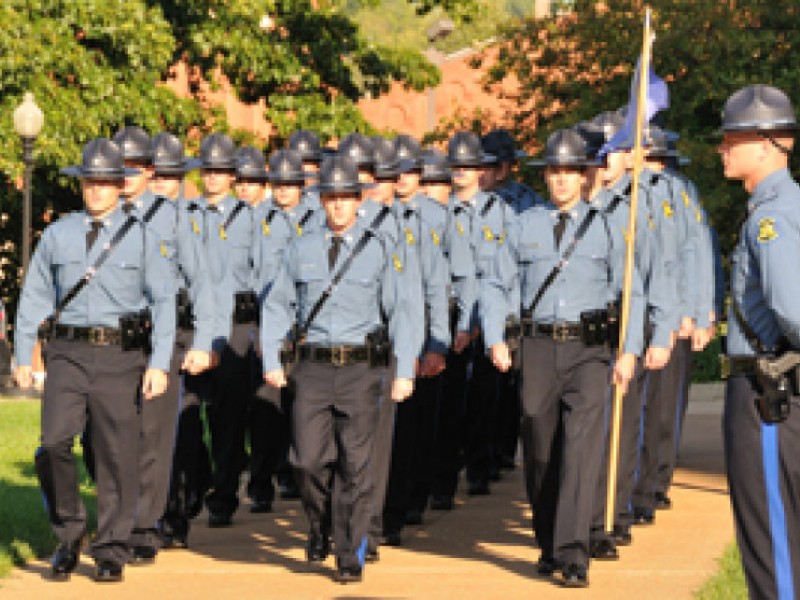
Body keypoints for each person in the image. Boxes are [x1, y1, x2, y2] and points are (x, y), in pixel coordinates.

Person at [483, 129, 642, 587]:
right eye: (554, 171)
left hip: (590, 352)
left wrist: (627, 350)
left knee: (581, 449)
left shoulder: (610, 226)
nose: (562, 180)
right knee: (539, 448)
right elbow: (498, 284)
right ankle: (550, 540)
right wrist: (497, 336)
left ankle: (574, 553)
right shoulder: (524, 225)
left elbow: (632, 292)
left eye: (570, 171)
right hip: (536, 348)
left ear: (584, 175)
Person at [14, 138, 176, 582]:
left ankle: (110, 547)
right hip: (66, 354)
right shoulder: (59, 234)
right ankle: (69, 535)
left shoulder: (144, 236)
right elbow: (34, 296)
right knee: (54, 445)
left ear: (119, 186)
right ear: (81, 184)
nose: (97, 190)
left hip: (119, 358)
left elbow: (164, 303)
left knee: (114, 454)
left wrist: (160, 363)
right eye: (91, 182)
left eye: (106, 182)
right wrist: (22, 354)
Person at [261, 155, 415, 583]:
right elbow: (277, 305)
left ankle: (350, 552)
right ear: (322, 201)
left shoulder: (381, 247)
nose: (338, 206)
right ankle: (322, 523)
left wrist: (404, 371)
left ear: (357, 201)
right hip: (311, 369)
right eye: (331, 198)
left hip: (361, 370)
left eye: (346, 198)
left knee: (357, 465)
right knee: (307, 460)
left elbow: (401, 311)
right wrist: (272, 359)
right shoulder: (301, 248)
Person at [112, 126, 215, 563]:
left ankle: (145, 527)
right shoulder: (102, 218)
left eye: (133, 170)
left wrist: (205, 340)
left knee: (156, 437)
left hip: (168, 335)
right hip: (115, 340)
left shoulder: (175, 219)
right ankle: (119, 514)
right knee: (111, 436)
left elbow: (204, 282)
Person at [718, 83, 800, 599]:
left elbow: (792, 307)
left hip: (766, 395)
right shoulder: (783, 204)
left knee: (773, 545)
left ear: (768, 144)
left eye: (733, 138)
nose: (722, 148)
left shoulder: (772, 216)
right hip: (770, 387)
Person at [148, 131, 215, 549]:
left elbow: (212, 284)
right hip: (145, 331)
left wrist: (207, 341)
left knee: (183, 426)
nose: (161, 184)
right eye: (156, 175)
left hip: (185, 330)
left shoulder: (195, 219)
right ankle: (151, 510)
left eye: (169, 177)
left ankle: (175, 512)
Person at [192, 133, 257, 527]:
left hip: (236, 322)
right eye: (208, 170)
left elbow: (265, 274)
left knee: (228, 414)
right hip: (198, 322)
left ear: (232, 175)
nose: (213, 177)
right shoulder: (188, 214)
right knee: (189, 410)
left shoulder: (251, 218)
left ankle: (224, 493)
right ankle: (199, 474)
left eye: (220, 171)